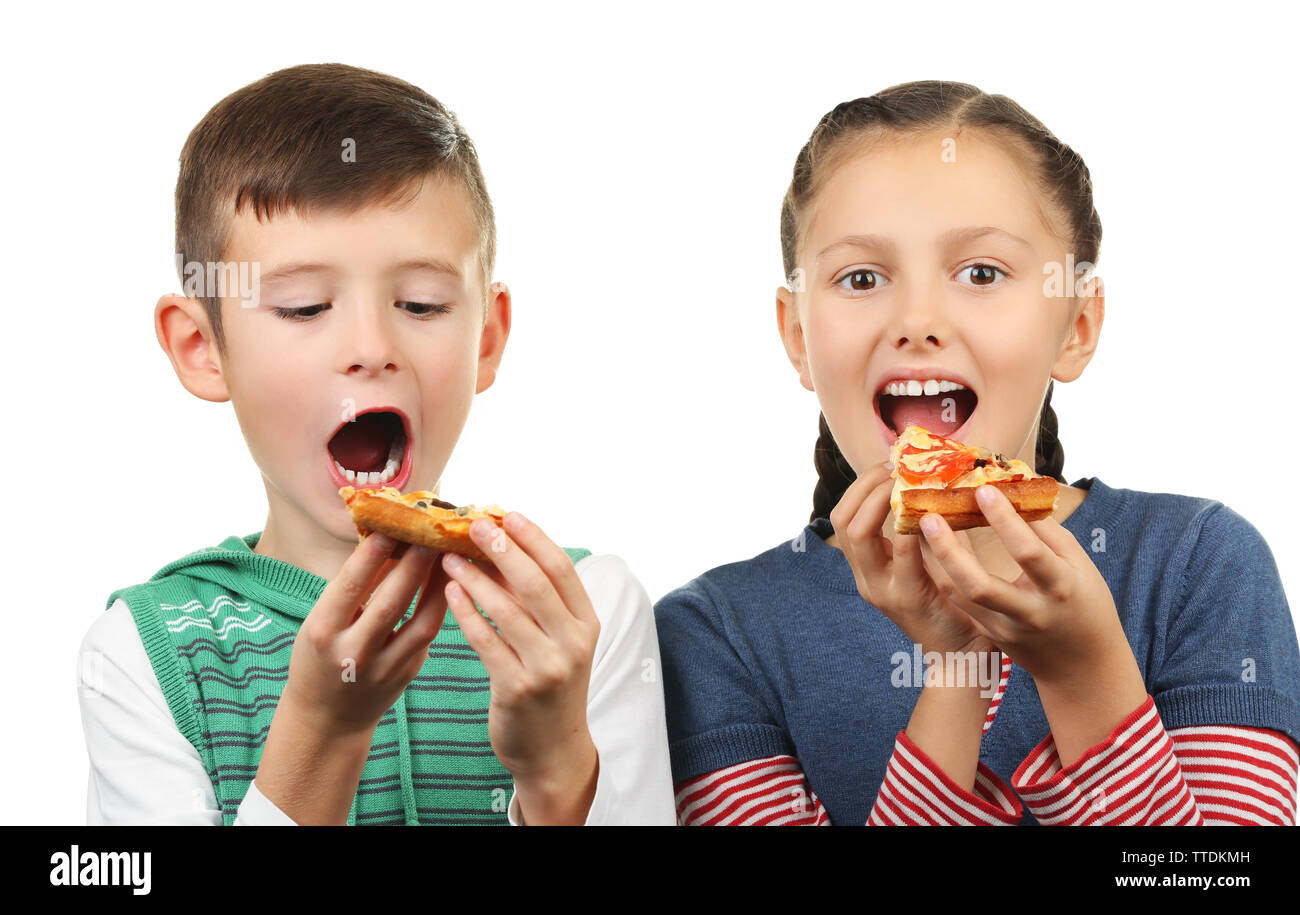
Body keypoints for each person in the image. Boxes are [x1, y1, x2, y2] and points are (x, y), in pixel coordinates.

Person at [654, 80, 1300, 825]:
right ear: (797, 335)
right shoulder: (714, 634)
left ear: (1077, 325)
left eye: (982, 273)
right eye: (862, 278)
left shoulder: (1199, 564)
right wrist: (956, 672)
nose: (918, 319)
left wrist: (1086, 670)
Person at [77, 63, 674, 826]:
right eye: (304, 306)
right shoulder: (145, 654)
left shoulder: (582, 613)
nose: (370, 346)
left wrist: (559, 772)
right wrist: (321, 734)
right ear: (201, 346)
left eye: (421, 303)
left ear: (486, 336)